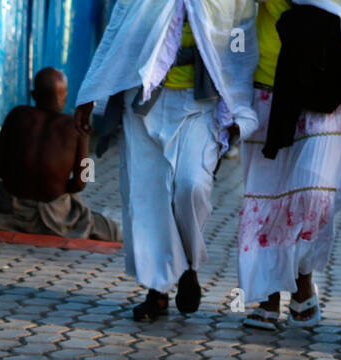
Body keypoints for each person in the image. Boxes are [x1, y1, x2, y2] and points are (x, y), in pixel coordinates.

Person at [74, 0, 259, 322]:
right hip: (143, 101)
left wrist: (239, 101)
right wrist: (90, 92)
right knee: (148, 198)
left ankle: (189, 265)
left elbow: (240, 43)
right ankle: (157, 291)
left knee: (191, 186)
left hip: (201, 104)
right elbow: (117, 34)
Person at [238, 0, 341, 332]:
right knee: (269, 198)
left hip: (328, 84)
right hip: (266, 84)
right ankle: (269, 295)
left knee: (315, 197)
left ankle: (303, 276)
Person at [0, 67, 121, 241]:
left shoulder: (16, 115)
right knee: (109, 228)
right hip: (55, 215)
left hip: (11, 208)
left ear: (34, 95)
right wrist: (86, 140)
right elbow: (82, 183)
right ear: (64, 96)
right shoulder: (75, 128)